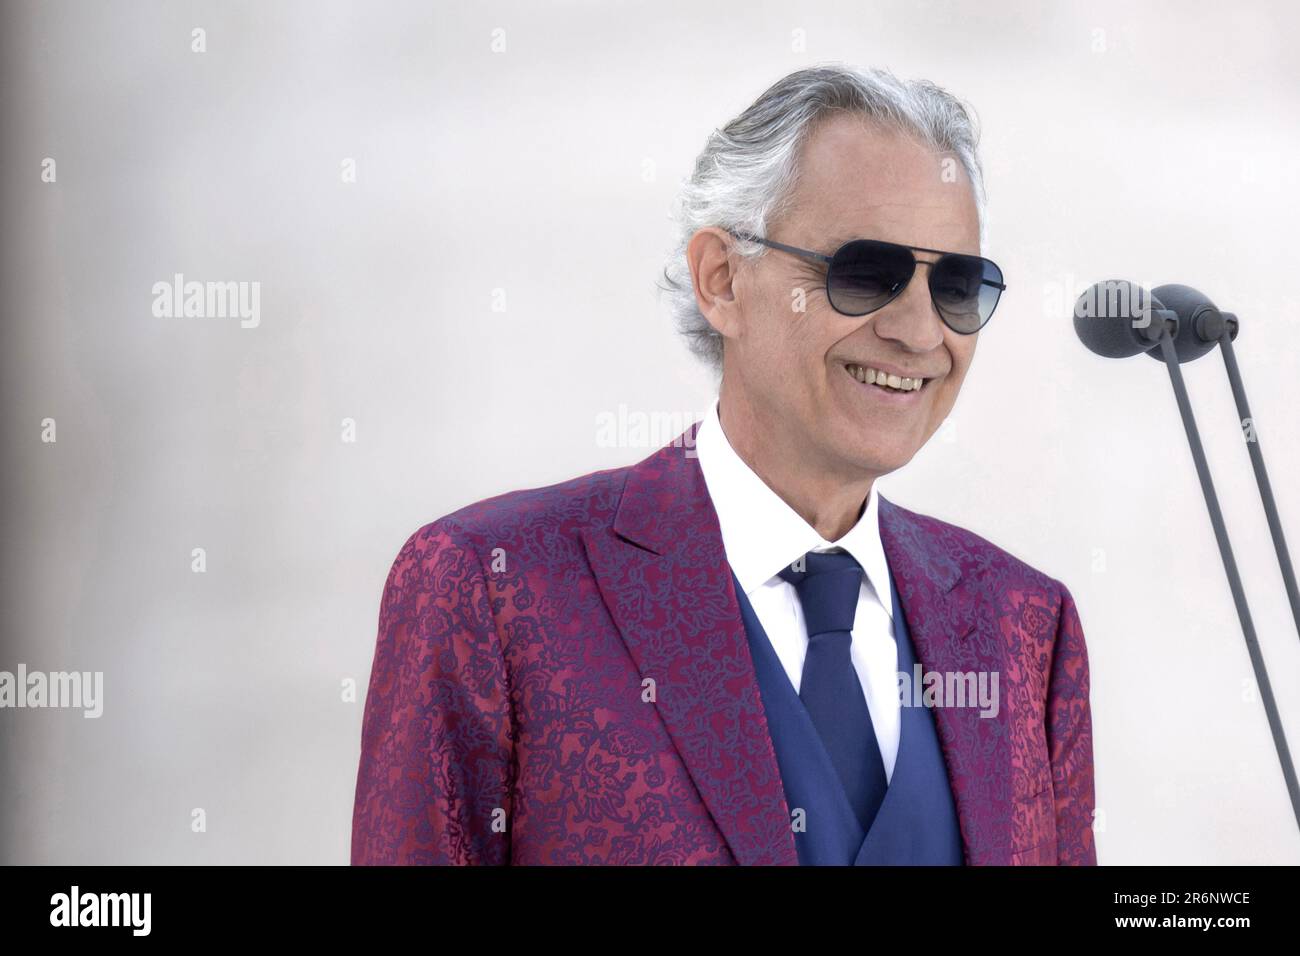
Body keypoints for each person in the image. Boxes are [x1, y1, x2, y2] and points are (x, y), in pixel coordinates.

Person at [350, 63, 1097, 865]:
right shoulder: (492, 586)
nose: (919, 334)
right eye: (864, 274)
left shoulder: (1025, 627)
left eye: (957, 286)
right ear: (722, 279)